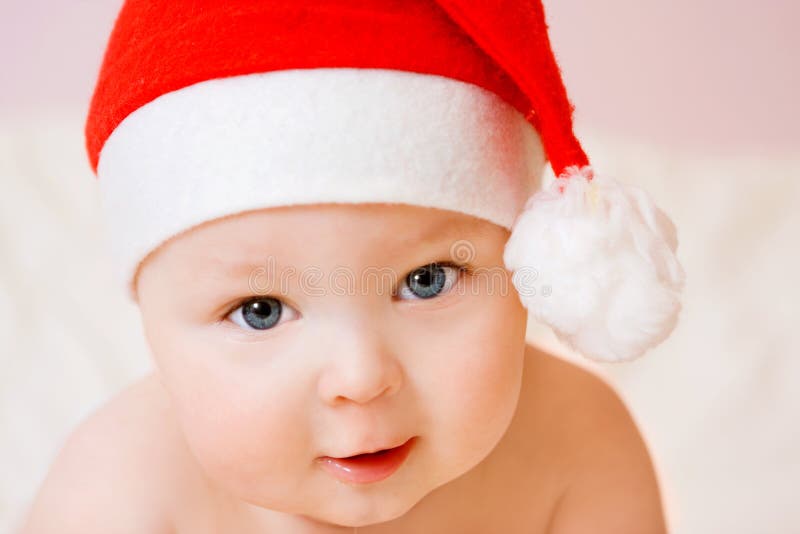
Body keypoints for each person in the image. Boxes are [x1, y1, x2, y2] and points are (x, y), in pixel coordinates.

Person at [22, 0, 685, 532]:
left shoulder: (578, 448)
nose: (361, 378)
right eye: (261, 311)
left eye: (427, 280)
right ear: (151, 327)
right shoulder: (118, 497)